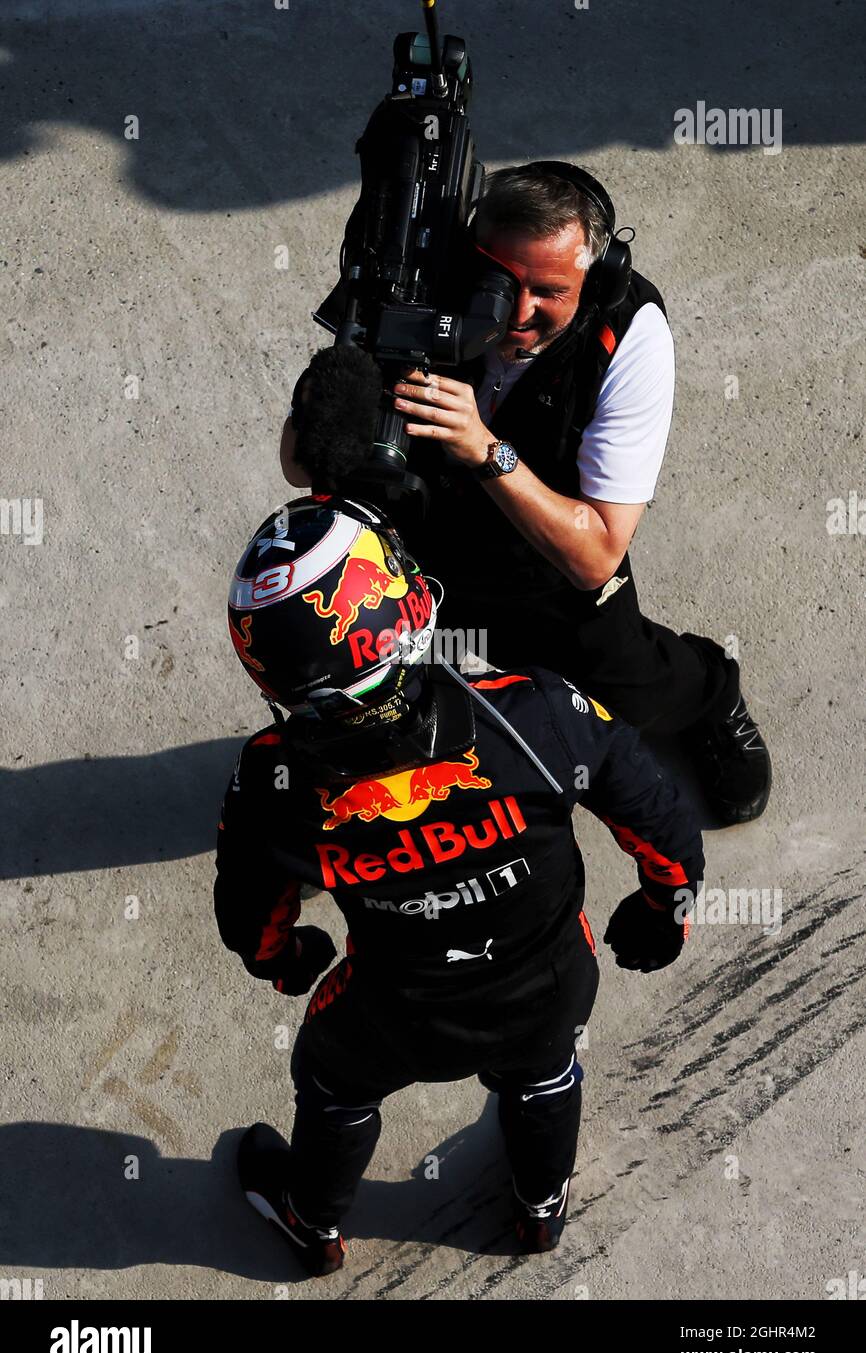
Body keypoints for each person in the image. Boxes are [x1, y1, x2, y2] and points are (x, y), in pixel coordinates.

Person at [215, 496, 704, 1277]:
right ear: (404, 609)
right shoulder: (539, 713)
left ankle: (313, 1225)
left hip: (391, 1016)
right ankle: (540, 1212)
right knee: (547, 1064)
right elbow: (666, 826)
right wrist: (664, 913)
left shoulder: (272, 783)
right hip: (548, 983)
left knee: (330, 1075)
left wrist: (282, 959)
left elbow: (248, 916)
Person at [279, 162, 772, 827]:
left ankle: (713, 697)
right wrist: (330, 400)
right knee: (360, 674)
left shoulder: (631, 337)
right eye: (499, 281)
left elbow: (596, 554)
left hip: (545, 562)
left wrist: (485, 448)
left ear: (597, 279)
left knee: (629, 694)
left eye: (548, 290)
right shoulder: (415, 284)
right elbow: (298, 464)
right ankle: (357, 788)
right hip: (418, 537)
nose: (517, 313)